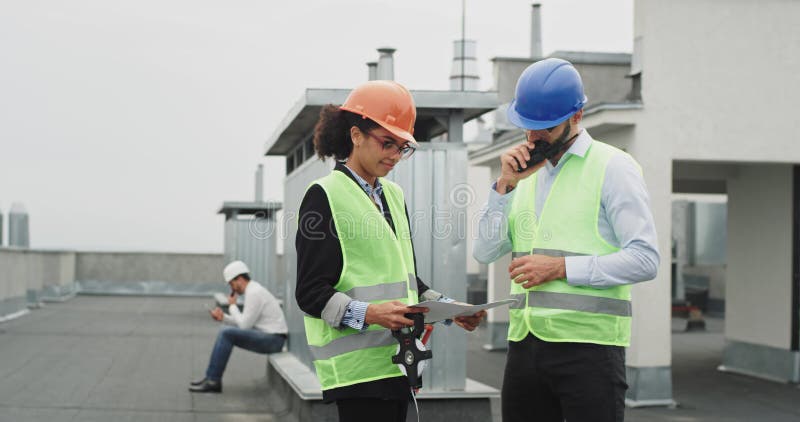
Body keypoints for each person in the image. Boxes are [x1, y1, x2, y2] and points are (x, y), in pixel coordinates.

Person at [473, 58, 660, 422]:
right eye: (527, 126)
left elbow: (645, 258)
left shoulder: (614, 167)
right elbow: (484, 251)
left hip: (589, 352)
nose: (533, 136)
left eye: (545, 127)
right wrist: (504, 185)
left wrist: (560, 268)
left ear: (577, 116)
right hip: (524, 349)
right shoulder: (521, 175)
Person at [295, 80, 485, 422]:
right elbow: (310, 293)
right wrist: (371, 314)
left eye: (403, 147)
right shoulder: (323, 195)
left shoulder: (393, 196)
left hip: (398, 363)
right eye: (388, 143)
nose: (396, 156)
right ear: (356, 135)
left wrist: (450, 309)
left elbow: (406, 280)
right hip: (358, 374)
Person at [189, 260, 288, 393]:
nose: (232, 289)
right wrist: (223, 318)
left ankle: (213, 380)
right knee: (226, 332)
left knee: (226, 333)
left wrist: (232, 306)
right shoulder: (253, 290)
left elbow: (245, 326)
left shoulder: (254, 293)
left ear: (239, 279)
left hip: (274, 340)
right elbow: (245, 321)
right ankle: (211, 378)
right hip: (271, 337)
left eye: (232, 284)